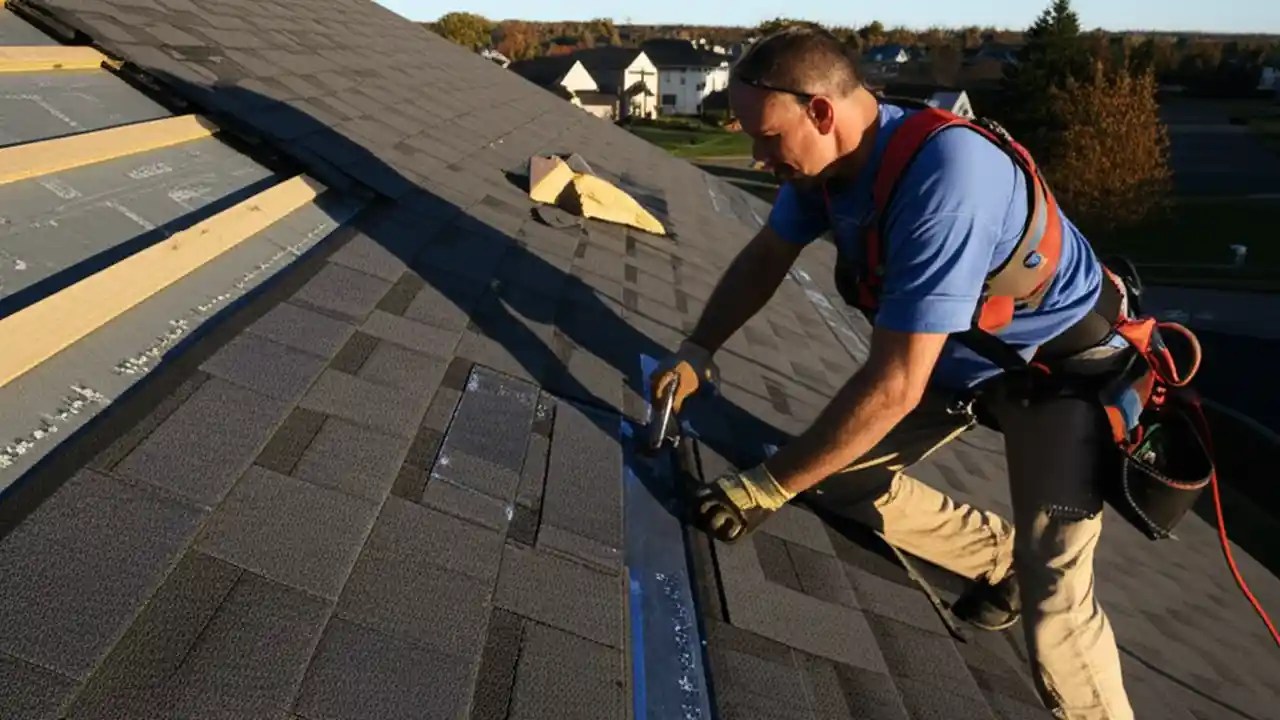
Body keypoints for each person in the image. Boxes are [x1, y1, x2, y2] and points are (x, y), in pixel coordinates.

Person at [649, 27, 1136, 720]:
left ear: (821, 112)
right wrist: (699, 346)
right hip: (961, 356)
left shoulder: (946, 183)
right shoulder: (829, 166)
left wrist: (768, 485)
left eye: (766, 138)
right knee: (836, 479)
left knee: (1056, 601)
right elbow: (765, 257)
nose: (758, 159)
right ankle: (997, 556)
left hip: (1061, 375)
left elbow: (896, 383)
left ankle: (1040, 592)